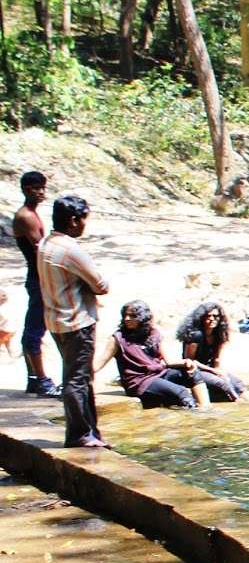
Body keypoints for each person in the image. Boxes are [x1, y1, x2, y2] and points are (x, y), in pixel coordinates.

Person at [37, 195, 111, 447]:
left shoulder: (46, 243)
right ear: (73, 220)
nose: (84, 226)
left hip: (56, 322)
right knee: (77, 379)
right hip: (76, 322)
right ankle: (80, 434)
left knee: (79, 376)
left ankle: (90, 431)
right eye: (83, 221)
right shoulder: (69, 249)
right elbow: (101, 284)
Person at [95, 301, 207, 409]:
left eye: (132, 316)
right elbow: (99, 363)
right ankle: (193, 417)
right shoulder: (118, 338)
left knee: (194, 375)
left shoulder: (153, 334)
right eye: (125, 315)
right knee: (182, 393)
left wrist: (186, 363)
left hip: (159, 373)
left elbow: (169, 362)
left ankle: (206, 409)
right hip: (140, 381)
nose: (127, 319)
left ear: (142, 317)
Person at [13, 171, 61, 396]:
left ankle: (34, 379)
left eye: (43, 187)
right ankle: (40, 380)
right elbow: (40, 249)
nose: (41, 192)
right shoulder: (26, 216)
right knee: (35, 330)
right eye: (35, 188)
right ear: (24, 189)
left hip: (39, 277)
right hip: (38, 279)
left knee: (36, 328)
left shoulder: (32, 213)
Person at [176, 302, 249, 402]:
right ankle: (237, 402)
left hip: (210, 368)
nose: (212, 319)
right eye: (208, 316)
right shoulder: (196, 335)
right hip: (195, 369)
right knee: (223, 384)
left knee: (237, 383)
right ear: (201, 318)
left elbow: (216, 359)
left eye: (216, 316)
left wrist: (219, 370)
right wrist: (214, 371)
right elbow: (189, 361)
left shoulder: (218, 334)